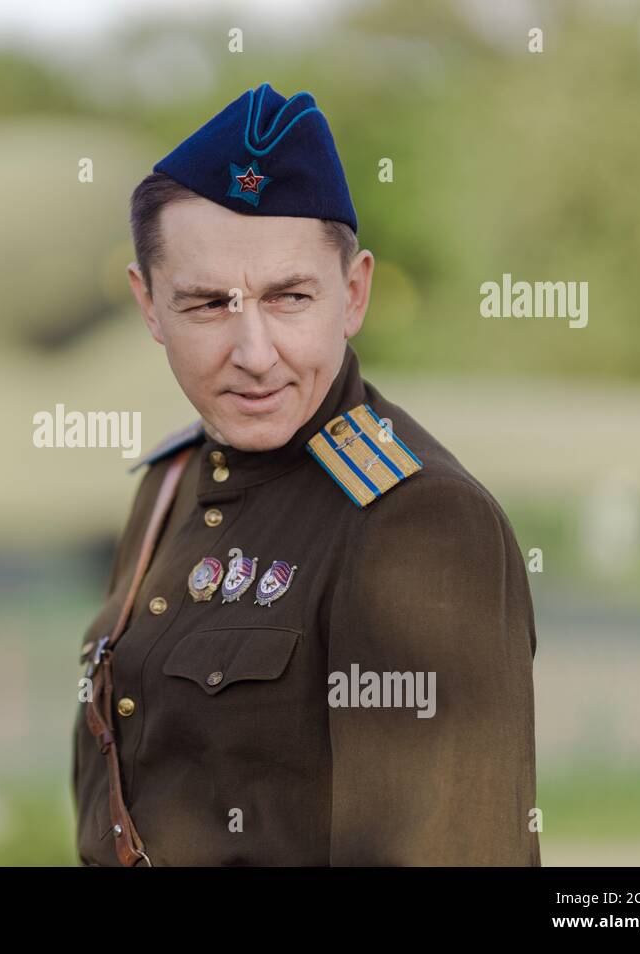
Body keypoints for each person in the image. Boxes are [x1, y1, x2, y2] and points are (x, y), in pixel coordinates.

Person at [71, 83, 541, 866]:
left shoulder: (417, 524)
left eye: (289, 297)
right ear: (147, 304)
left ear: (353, 294)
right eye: (207, 304)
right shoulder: (168, 485)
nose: (255, 354)